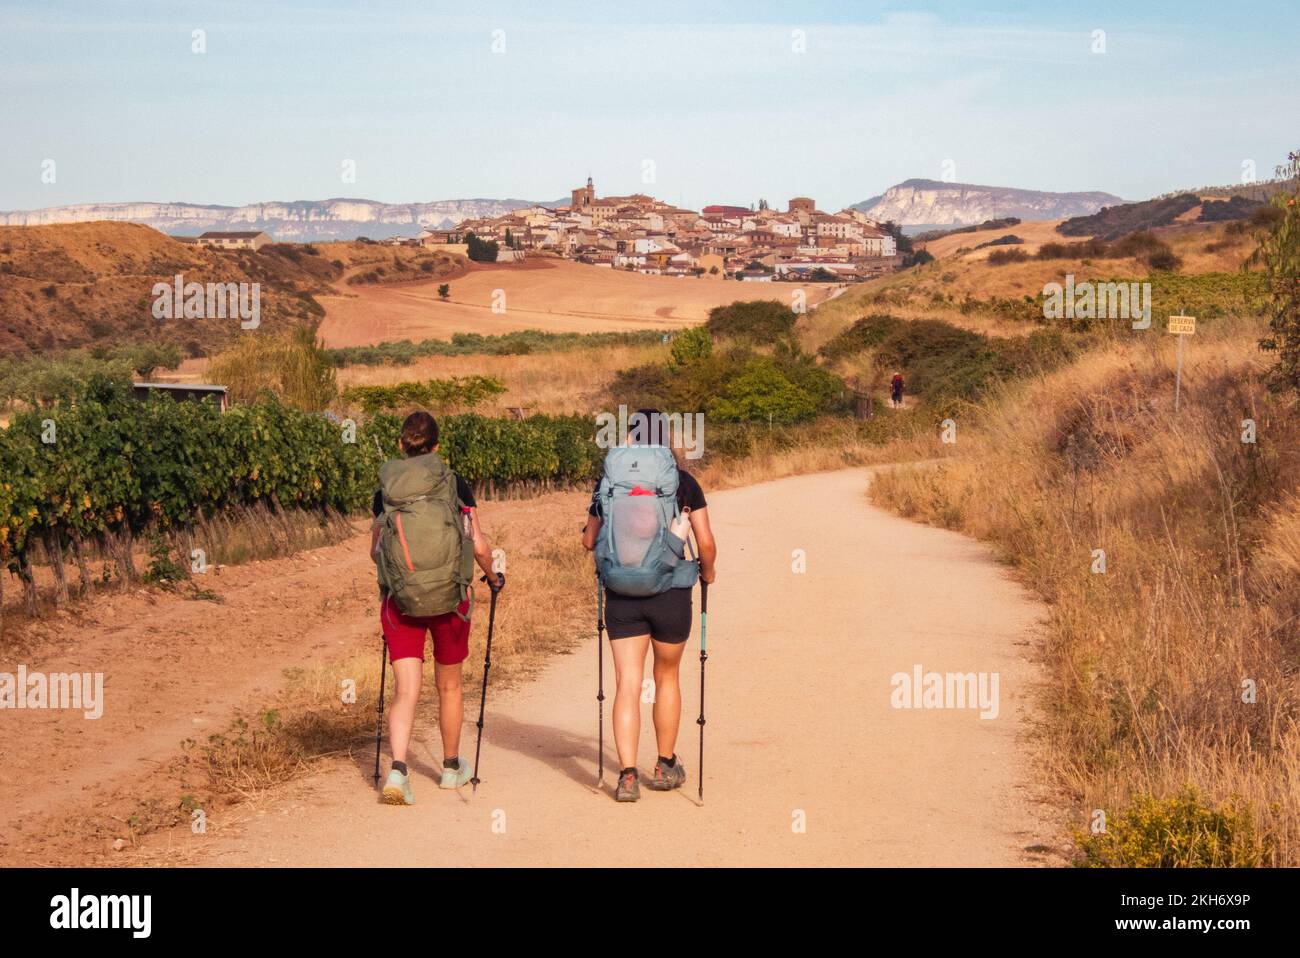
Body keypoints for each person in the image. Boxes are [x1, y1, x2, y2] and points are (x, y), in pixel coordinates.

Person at [582, 409, 717, 802]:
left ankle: (626, 776)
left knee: (627, 683)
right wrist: (707, 573)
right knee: (667, 678)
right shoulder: (683, 483)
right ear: (666, 438)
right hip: (671, 593)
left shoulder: (608, 484)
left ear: (629, 436)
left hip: (622, 594)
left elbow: (589, 541)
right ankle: (664, 763)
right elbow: (705, 543)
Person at [373, 411, 504, 806]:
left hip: (402, 601)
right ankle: (450, 768)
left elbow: (375, 550)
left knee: (406, 689)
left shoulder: (387, 489)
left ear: (401, 444)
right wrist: (493, 577)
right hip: (451, 599)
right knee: (449, 685)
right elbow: (478, 544)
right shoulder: (454, 483)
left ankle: (397, 772)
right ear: (437, 446)